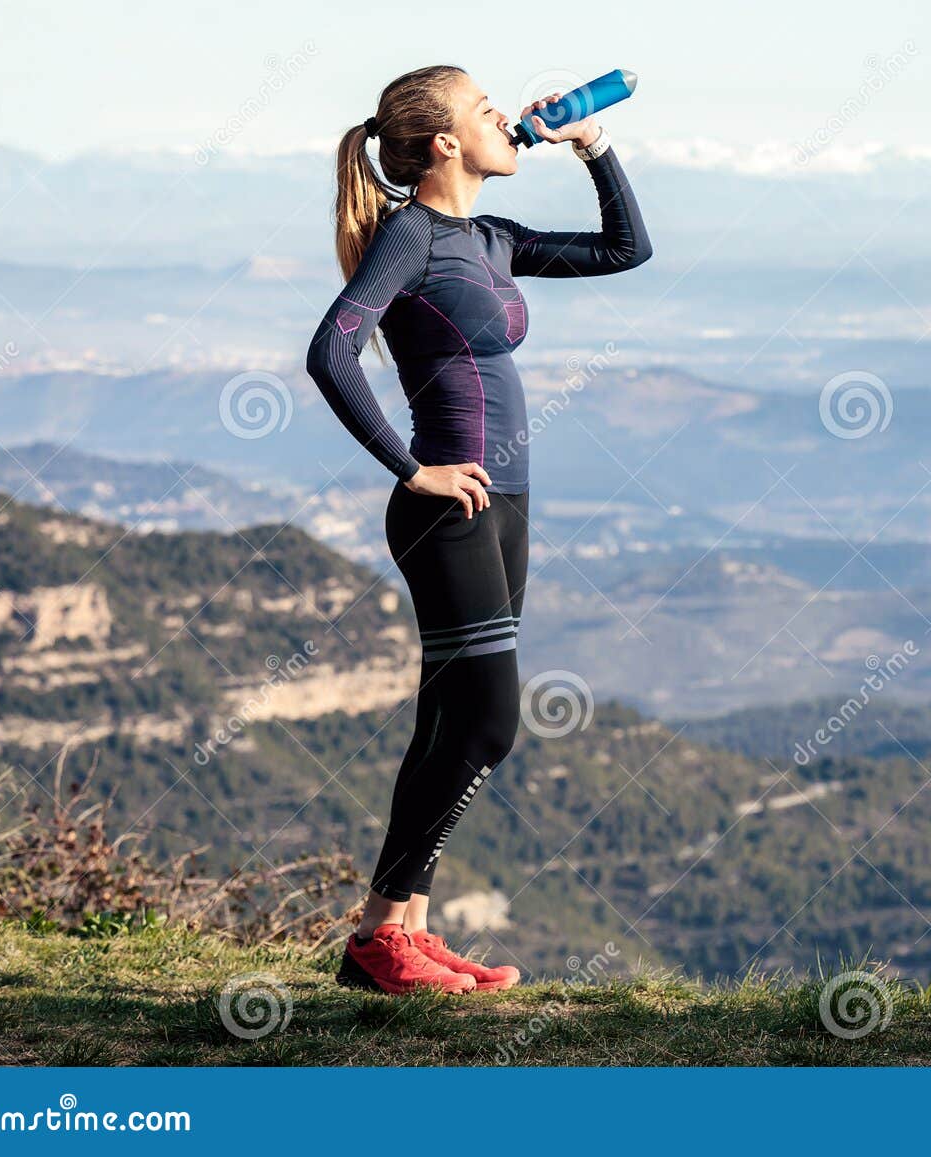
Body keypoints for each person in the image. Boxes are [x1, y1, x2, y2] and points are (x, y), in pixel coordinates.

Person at [304, 64, 652, 994]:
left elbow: (627, 251)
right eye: (485, 109)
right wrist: (411, 467)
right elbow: (331, 347)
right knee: (492, 722)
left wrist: (595, 147)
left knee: (451, 721)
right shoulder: (410, 235)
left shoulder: (488, 236)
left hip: (508, 504)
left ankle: (404, 933)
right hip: (446, 508)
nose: (509, 116)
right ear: (447, 143)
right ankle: (378, 934)